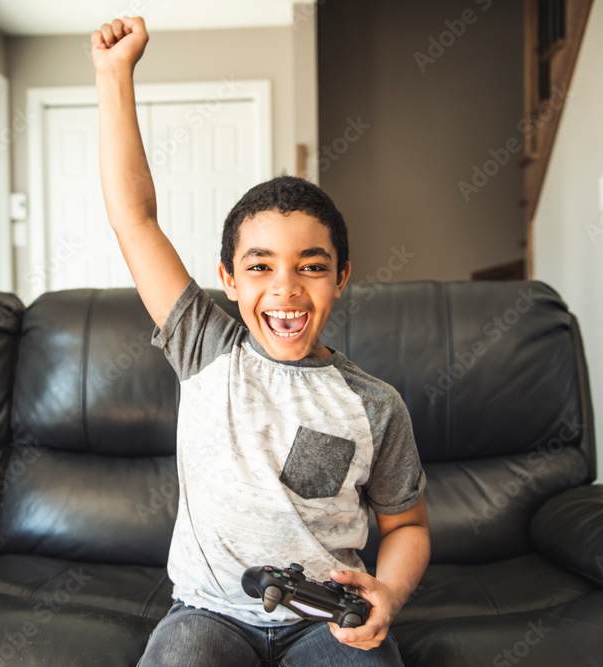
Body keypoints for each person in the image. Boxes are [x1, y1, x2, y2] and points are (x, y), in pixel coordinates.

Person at [92, 16, 429, 667]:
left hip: (327, 620)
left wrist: (389, 589)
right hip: (207, 615)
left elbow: (408, 525)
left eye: (311, 264)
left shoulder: (374, 404)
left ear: (341, 277)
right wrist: (114, 75)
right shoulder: (204, 347)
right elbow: (133, 219)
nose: (287, 290)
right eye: (260, 265)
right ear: (228, 279)